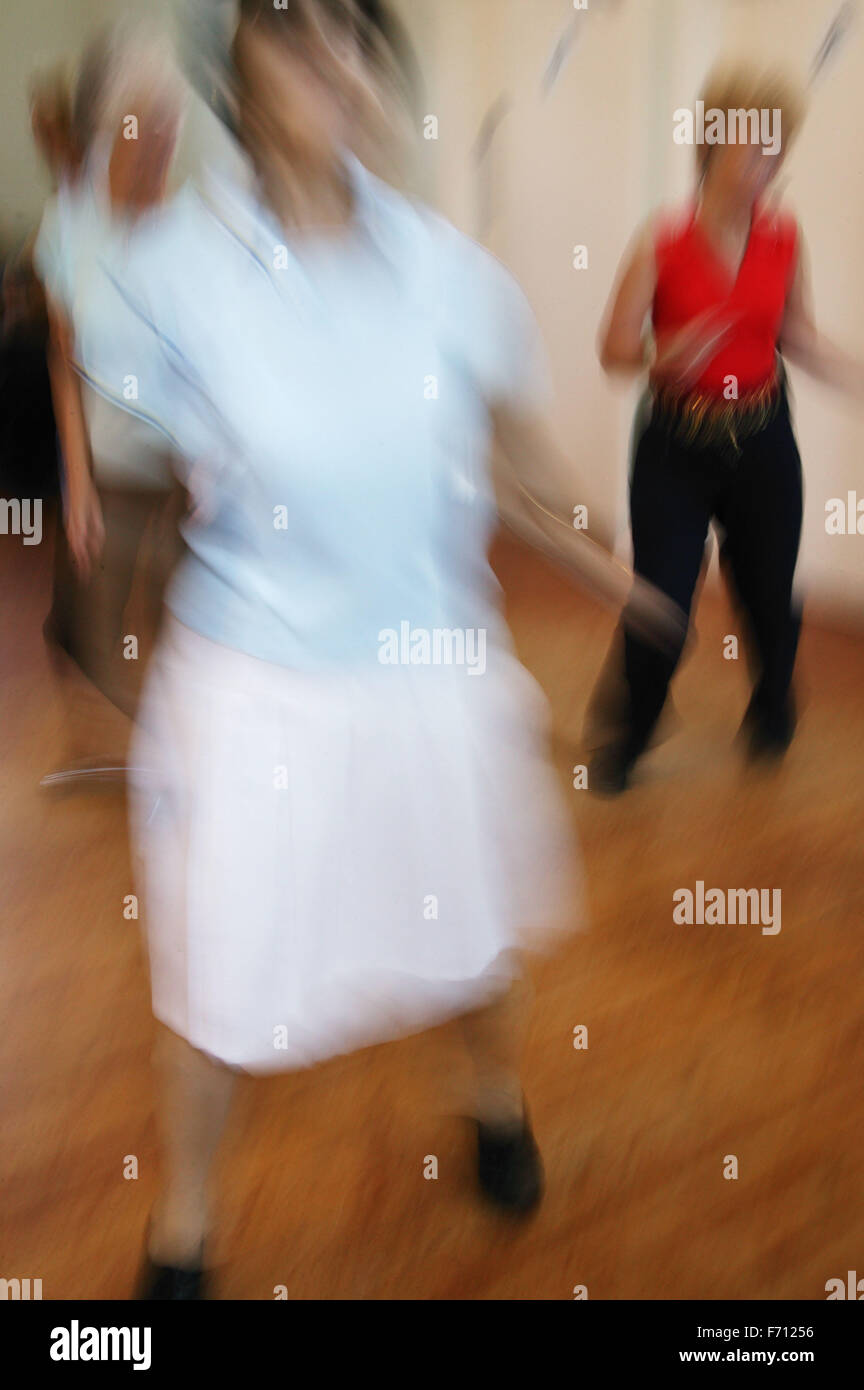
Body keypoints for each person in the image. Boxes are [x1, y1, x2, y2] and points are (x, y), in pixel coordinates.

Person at [59, 0, 679, 1298]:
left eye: (356, 35)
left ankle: (496, 1100)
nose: (332, 59)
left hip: (433, 672)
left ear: (384, 77)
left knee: (466, 926)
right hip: (251, 687)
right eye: (294, 34)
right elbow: (123, 416)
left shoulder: (454, 274)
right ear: (237, 79)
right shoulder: (172, 268)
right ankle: (183, 1228)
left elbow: (521, 462)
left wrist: (611, 562)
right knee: (219, 967)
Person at [589, 62, 864, 795]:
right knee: (662, 602)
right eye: (755, 148)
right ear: (712, 145)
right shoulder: (663, 239)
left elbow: (797, 336)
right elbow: (614, 351)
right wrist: (664, 355)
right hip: (676, 446)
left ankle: (773, 709)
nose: (769, 165)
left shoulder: (783, 237)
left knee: (769, 592)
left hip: (763, 439)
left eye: (778, 150)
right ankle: (631, 730)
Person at [32, 29, 186, 782]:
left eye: (170, 121)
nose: (162, 138)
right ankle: (123, 747)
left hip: (189, 476)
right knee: (94, 632)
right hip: (114, 473)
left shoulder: (192, 235)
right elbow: (63, 360)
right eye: (145, 121)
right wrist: (79, 482)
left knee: (184, 637)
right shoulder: (68, 225)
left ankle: (183, 765)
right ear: (110, 129)